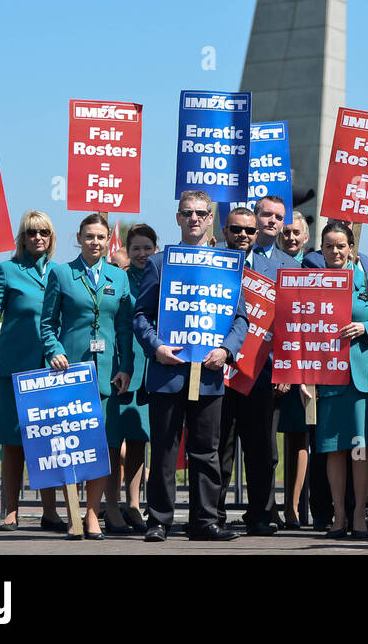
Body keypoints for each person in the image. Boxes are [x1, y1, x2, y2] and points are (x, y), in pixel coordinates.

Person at [133, 190, 248, 542]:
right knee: (165, 450)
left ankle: (205, 521)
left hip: (210, 373)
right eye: (187, 213)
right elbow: (140, 316)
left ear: (211, 217)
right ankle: (159, 520)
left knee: (206, 451)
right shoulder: (158, 262)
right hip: (169, 371)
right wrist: (157, 347)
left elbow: (240, 320)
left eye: (201, 212)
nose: (194, 218)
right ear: (178, 218)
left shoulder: (228, 262)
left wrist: (227, 351)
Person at [41, 213, 134, 539]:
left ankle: (93, 515)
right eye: (89, 236)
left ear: (109, 240)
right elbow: (47, 323)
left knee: (104, 448)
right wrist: (54, 350)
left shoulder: (117, 278)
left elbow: (124, 328)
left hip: (107, 375)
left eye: (100, 237)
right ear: (78, 238)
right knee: (70, 446)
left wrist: (126, 367)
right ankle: (73, 516)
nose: (95, 242)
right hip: (69, 373)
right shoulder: (61, 273)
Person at [294, 220, 368, 538]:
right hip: (326, 378)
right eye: (329, 246)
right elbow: (300, 332)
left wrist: (366, 328)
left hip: (361, 379)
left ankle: (360, 514)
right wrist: (302, 377)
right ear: (322, 249)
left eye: (341, 246)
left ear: (351, 248)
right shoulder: (310, 284)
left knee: (360, 449)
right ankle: (338, 516)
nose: (335, 251)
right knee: (332, 450)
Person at [217, 199, 297, 535]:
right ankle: (212, 514)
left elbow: (293, 324)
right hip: (218, 371)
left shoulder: (289, 265)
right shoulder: (214, 259)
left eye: (279, 217)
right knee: (218, 448)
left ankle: (261, 515)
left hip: (263, 374)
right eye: (266, 215)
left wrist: (286, 370)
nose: (271, 222)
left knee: (262, 450)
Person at [0, 210, 64, 531]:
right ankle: (10, 511)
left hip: (51, 371)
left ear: (51, 237)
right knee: (14, 442)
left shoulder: (62, 273)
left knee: (48, 443)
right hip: (13, 370)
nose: (38, 237)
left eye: (44, 232)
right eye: (31, 232)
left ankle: (50, 512)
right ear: (22, 237)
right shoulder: (6, 270)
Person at [102, 222, 156, 534]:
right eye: (135, 248)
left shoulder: (161, 276)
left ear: (155, 249)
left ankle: (134, 504)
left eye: (147, 248)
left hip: (151, 371)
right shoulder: (119, 279)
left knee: (139, 442)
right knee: (113, 441)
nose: (141, 253)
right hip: (122, 368)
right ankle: (111, 506)